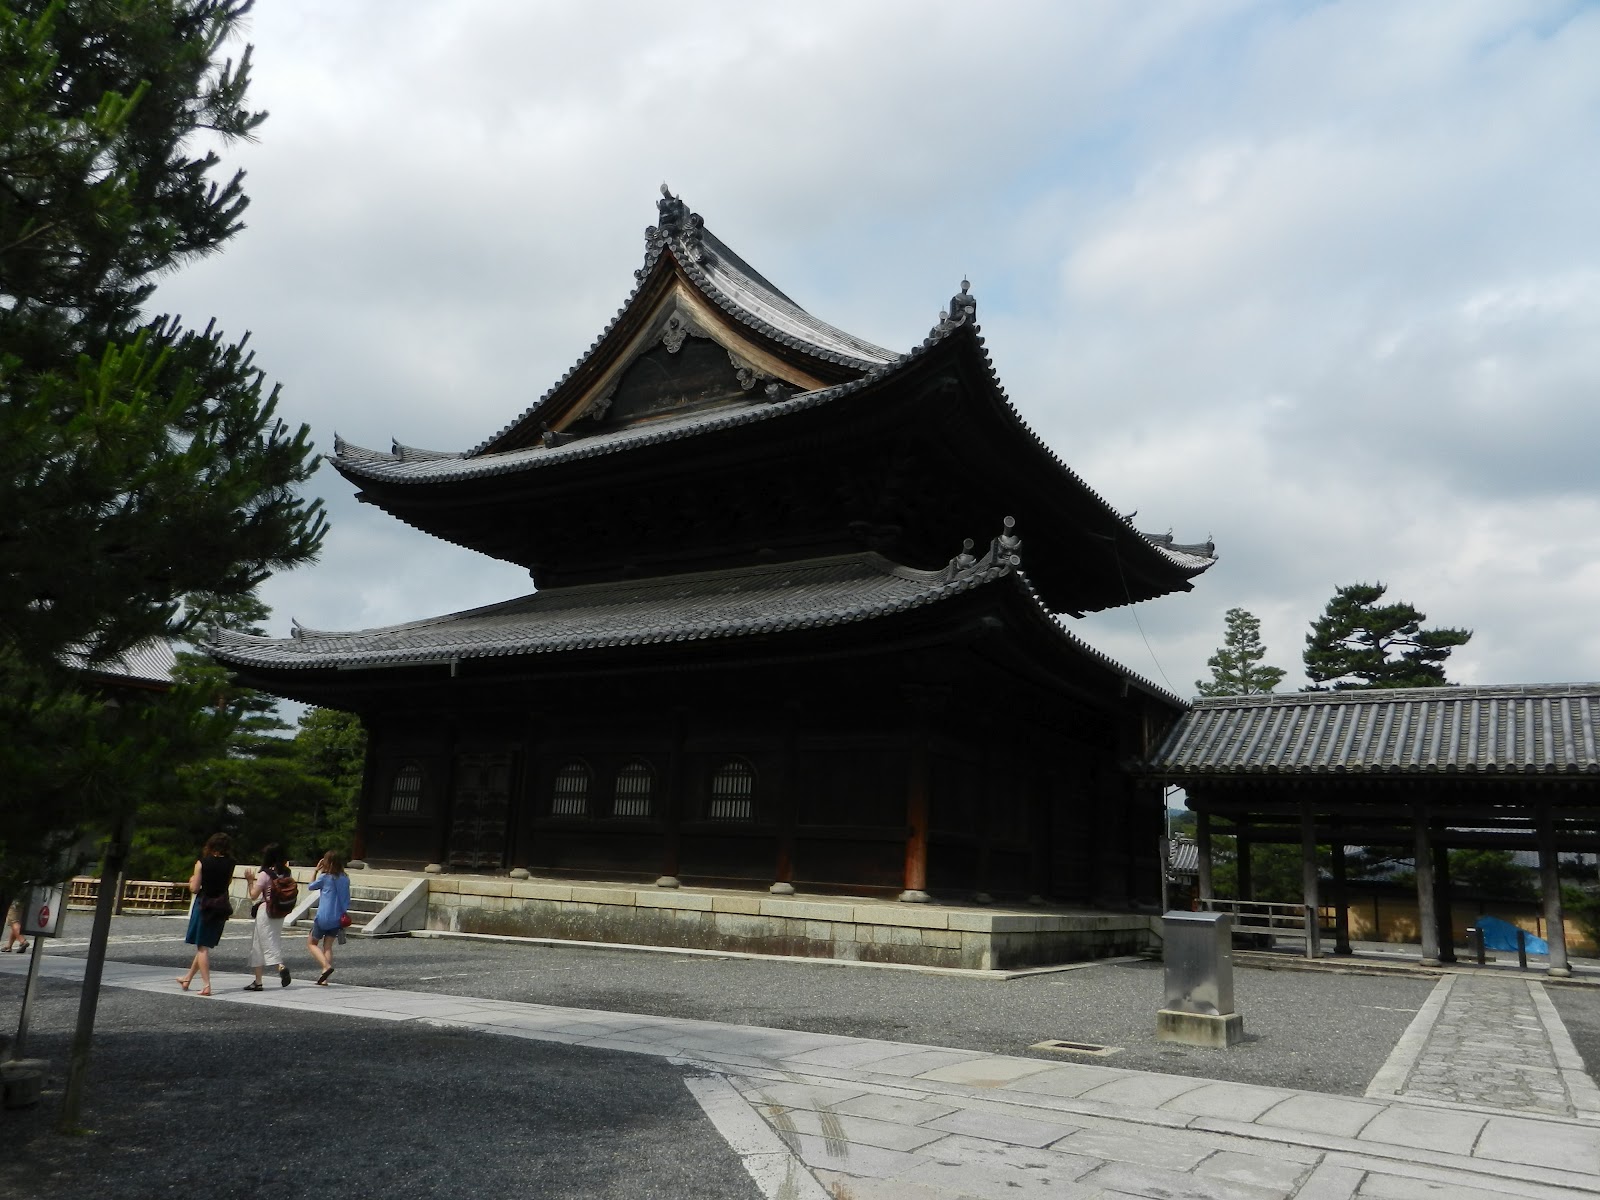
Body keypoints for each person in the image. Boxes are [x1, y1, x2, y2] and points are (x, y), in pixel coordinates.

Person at [176, 832, 235, 996]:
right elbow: (227, 882)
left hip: (204, 904)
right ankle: (187, 978)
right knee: (205, 944)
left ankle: (206, 985)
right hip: (221, 905)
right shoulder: (231, 863)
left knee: (202, 947)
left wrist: (190, 882)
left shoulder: (202, 862)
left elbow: (195, 888)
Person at [243, 843, 293, 990]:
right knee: (263, 942)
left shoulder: (265, 874)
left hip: (266, 910)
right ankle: (258, 981)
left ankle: (281, 967)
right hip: (279, 910)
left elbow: (254, 895)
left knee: (264, 942)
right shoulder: (286, 873)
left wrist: (250, 881)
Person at [306, 851, 350, 985]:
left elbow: (310, 886)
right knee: (328, 946)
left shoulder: (325, 877)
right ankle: (324, 979)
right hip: (338, 918)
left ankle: (326, 966)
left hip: (324, 916)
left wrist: (315, 871)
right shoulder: (345, 878)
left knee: (312, 943)